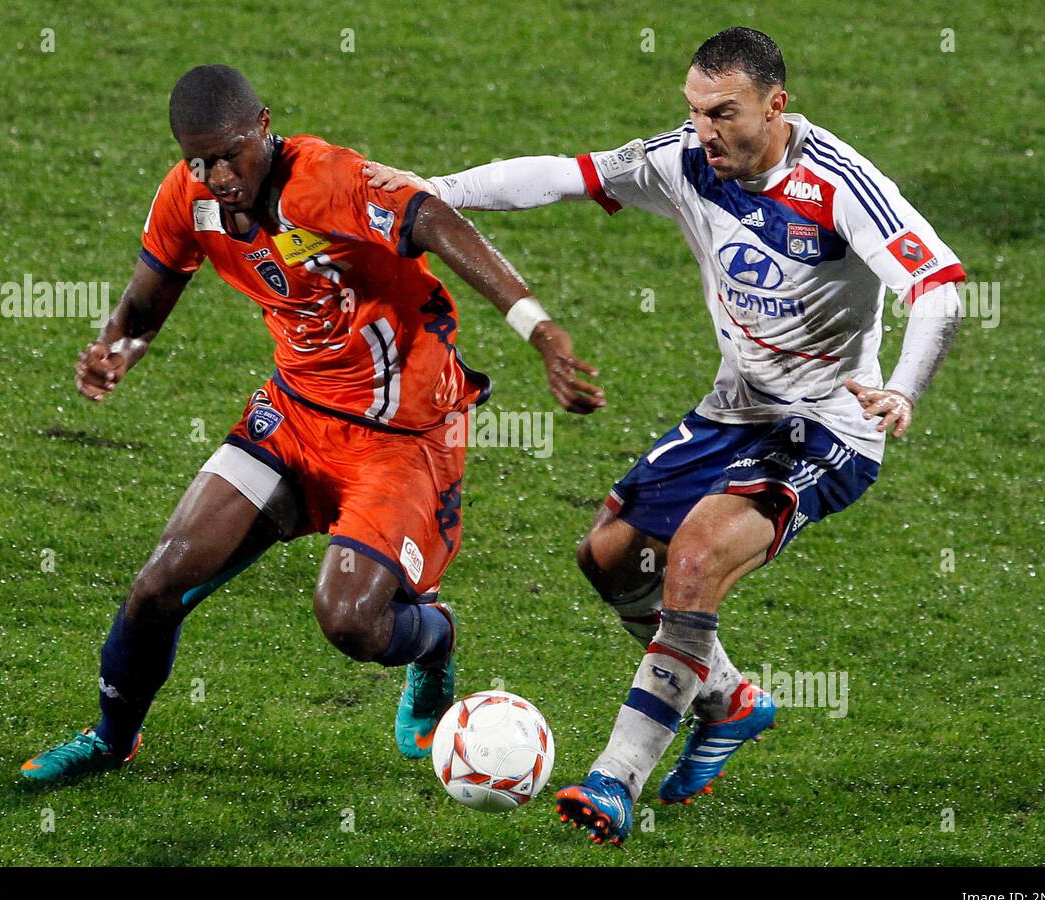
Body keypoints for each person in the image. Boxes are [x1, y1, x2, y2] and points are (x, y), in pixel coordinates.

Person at [364, 26, 966, 844]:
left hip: (830, 425)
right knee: (611, 559)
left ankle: (614, 780)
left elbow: (939, 290)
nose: (705, 130)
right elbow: (561, 177)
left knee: (692, 559)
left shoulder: (839, 186)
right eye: (694, 110)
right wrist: (431, 189)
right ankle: (729, 702)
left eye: (724, 113)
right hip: (735, 407)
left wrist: (903, 388)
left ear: (776, 106)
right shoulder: (683, 159)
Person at [20, 65, 604, 783]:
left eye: (230, 153)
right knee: (158, 584)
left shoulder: (325, 180)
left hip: (403, 438)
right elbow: (147, 297)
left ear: (263, 124)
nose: (217, 174)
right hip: (294, 417)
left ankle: (434, 640)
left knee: (351, 621)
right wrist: (117, 350)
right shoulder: (190, 197)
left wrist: (540, 331)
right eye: (198, 159)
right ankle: (112, 739)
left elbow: (435, 218)